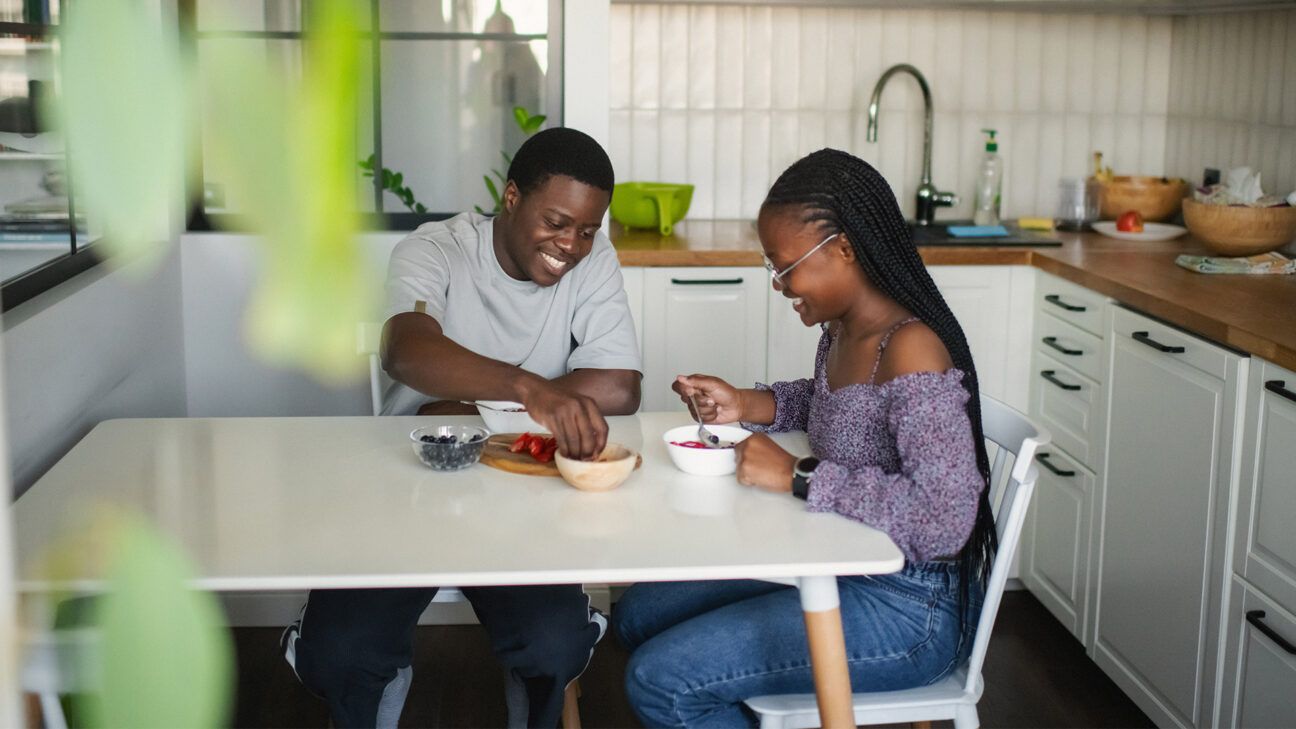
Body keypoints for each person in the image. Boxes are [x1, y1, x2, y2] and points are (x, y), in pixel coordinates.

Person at [611, 149, 993, 728]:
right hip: (838, 554)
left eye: (784, 266)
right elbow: (829, 407)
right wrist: (743, 404)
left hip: (910, 608)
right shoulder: (841, 331)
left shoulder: (910, 350)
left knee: (659, 681)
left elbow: (945, 517)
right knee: (636, 615)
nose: (778, 284)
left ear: (843, 248)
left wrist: (797, 476)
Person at [282, 127, 642, 728]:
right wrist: (533, 390)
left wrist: (467, 408)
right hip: (407, 483)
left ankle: (549, 659)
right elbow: (407, 351)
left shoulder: (594, 258)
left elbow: (620, 387)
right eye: (556, 222)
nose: (571, 245)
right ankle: (365, 666)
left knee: (553, 645)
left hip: (526, 483)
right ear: (510, 198)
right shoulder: (436, 249)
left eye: (586, 229)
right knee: (342, 653)